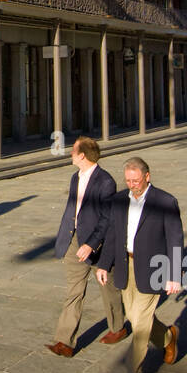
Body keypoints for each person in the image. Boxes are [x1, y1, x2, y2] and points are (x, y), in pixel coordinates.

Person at [95, 156, 182, 373]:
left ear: (147, 176)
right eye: (128, 180)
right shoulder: (119, 200)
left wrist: (174, 274)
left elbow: (175, 239)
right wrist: (104, 265)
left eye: (136, 180)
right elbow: (113, 234)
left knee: (140, 324)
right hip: (126, 265)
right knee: (135, 319)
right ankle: (167, 337)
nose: (132, 185)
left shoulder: (165, 201)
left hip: (153, 268)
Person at [46, 137, 127, 357]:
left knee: (108, 288)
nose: (70, 153)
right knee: (74, 290)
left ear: (82, 155)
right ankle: (65, 340)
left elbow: (106, 218)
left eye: (73, 151)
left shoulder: (105, 181)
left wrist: (92, 244)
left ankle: (118, 327)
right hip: (74, 241)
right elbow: (72, 209)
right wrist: (65, 236)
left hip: (98, 244)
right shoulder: (75, 177)